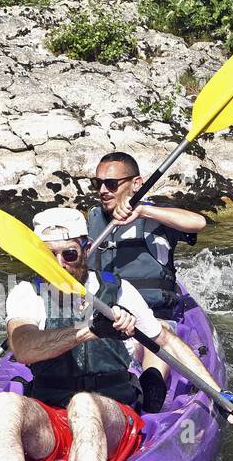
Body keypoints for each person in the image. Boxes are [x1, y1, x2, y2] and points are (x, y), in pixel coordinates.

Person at [0, 206, 233, 461]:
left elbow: (166, 341)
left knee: (84, 402)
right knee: (5, 403)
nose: (59, 265)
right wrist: (89, 330)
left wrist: (217, 392)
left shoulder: (117, 291)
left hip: (113, 418)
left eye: (69, 254)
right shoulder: (26, 293)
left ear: (85, 248)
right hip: (52, 419)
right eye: (48, 255)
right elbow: (25, 348)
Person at [86, 152, 208, 412]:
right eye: (98, 184)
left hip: (154, 312)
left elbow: (198, 222)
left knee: (154, 333)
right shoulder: (93, 219)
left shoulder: (156, 217)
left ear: (136, 183)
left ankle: (152, 384)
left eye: (111, 183)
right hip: (108, 311)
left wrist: (143, 211)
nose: (103, 190)